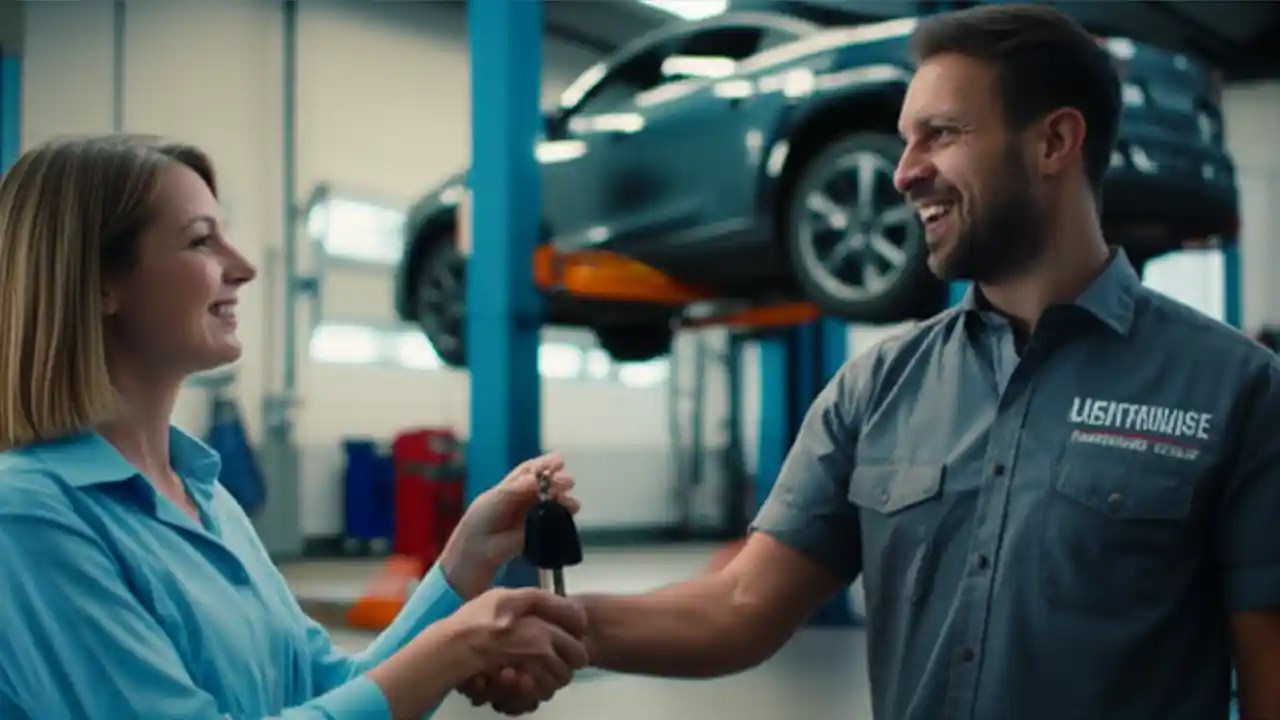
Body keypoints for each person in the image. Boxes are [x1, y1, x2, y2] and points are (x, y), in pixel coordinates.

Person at [461, 5, 1280, 719]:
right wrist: (554, 626)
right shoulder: (876, 390)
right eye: (904, 139)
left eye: (943, 134)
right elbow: (743, 604)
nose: (903, 171)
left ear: (1055, 142)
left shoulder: (1232, 389)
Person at [0, 134, 589, 720]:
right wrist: (457, 647)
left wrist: (463, 565)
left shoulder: (202, 495)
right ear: (99, 281)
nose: (245, 267)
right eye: (202, 241)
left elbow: (327, 687)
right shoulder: (30, 515)